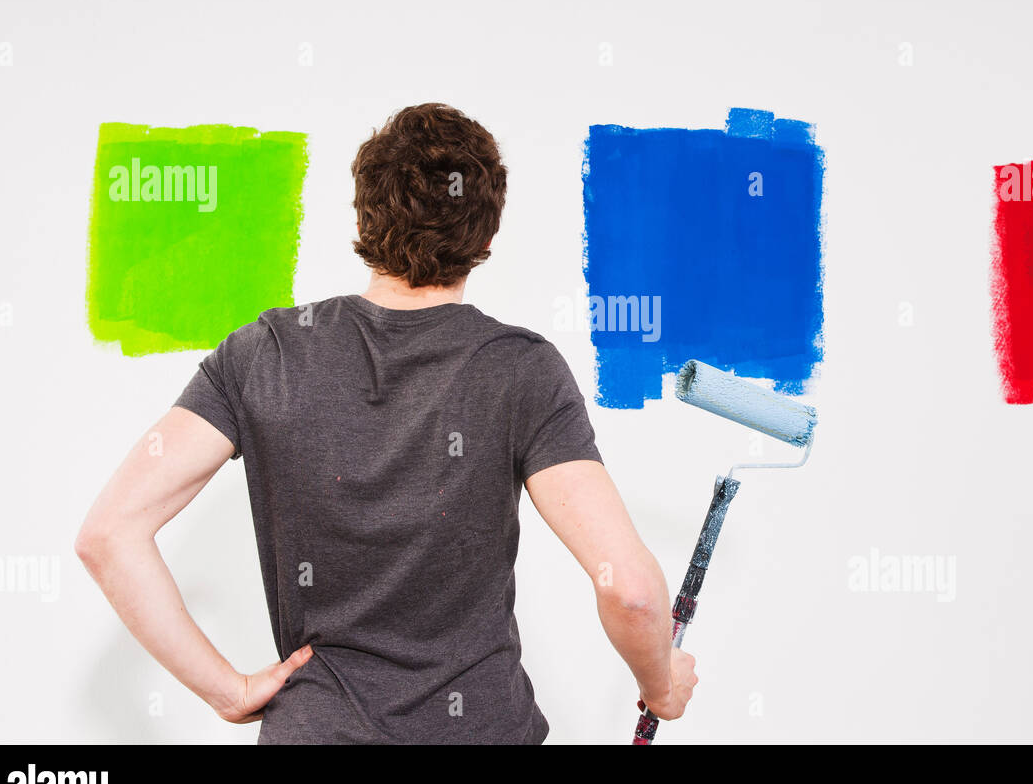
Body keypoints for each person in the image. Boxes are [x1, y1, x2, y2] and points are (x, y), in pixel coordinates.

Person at [75, 102, 697, 744]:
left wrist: (226, 691)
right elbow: (632, 593)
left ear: (364, 216)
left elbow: (109, 535)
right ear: (486, 238)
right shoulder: (520, 371)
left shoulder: (267, 353)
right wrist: (661, 682)